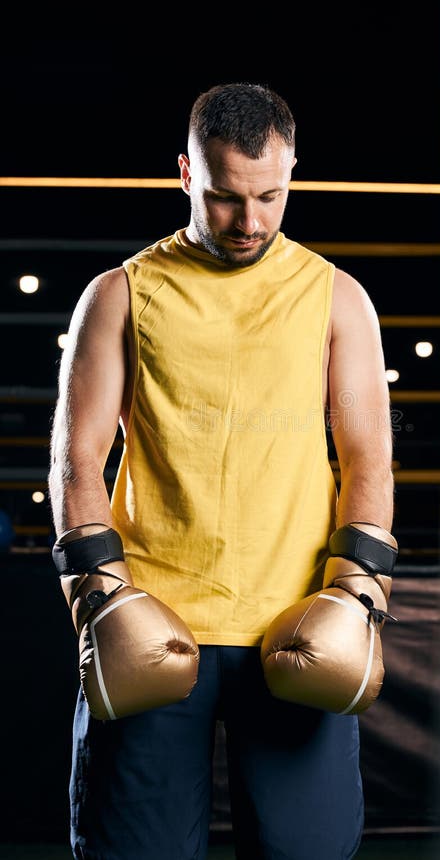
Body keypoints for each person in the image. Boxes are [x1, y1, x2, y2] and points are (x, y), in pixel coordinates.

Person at [48, 81, 396, 860]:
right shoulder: (120, 293)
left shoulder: (337, 297)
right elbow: (77, 460)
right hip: (152, 624)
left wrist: (358, 594)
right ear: (185, 174)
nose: (251, 221)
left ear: (293, 170)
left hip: (299, 626)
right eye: (226, 198)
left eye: (270, 196)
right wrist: (99, 599)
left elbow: (369, 456)